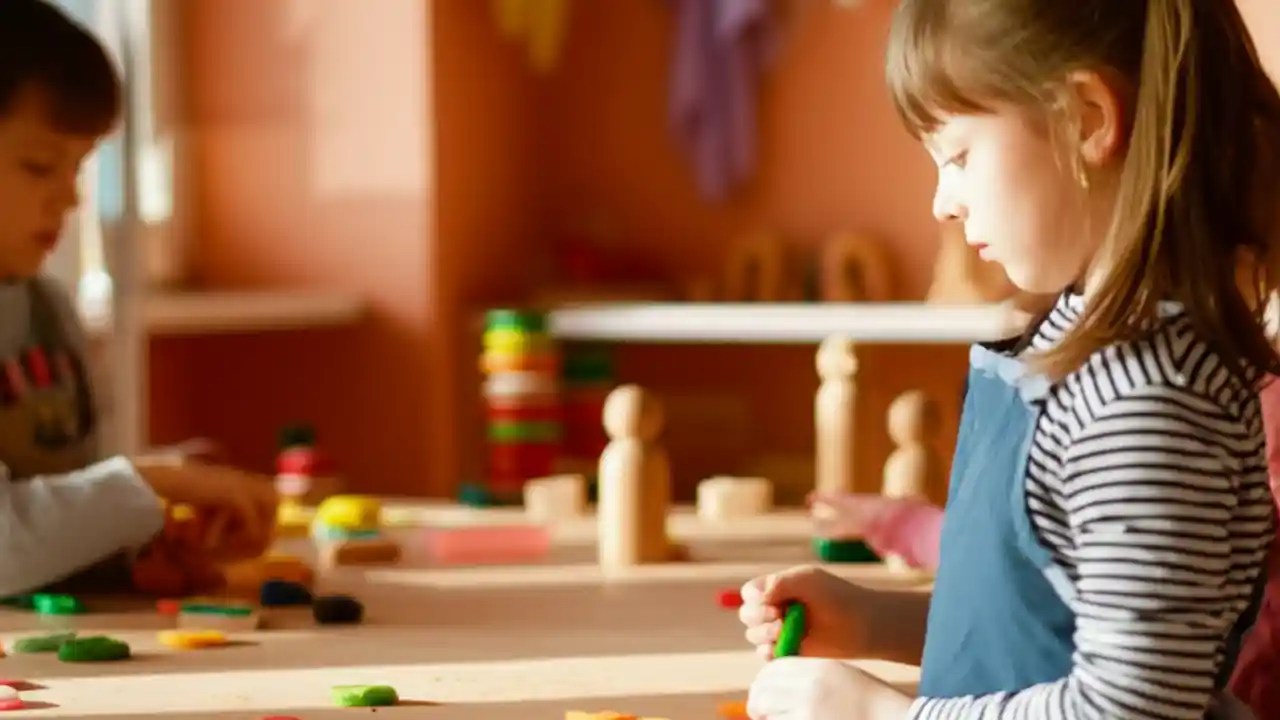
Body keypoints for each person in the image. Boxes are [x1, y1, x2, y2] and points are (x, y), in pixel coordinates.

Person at [741, 1, 1280, 718]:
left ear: (1087, 119)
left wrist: (882, 715)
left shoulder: (1149, 399)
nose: (942, 203)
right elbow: (1041, 633)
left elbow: (1132, 707)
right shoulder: (1088, 344)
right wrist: (872, 623)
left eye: (959, 156)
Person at [0, 0, 277, 597]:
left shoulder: (47, 311)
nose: (69, 200)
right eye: (38, 165)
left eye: (78, 168)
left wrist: (149, 537)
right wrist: (148, 483)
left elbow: (61, 507)